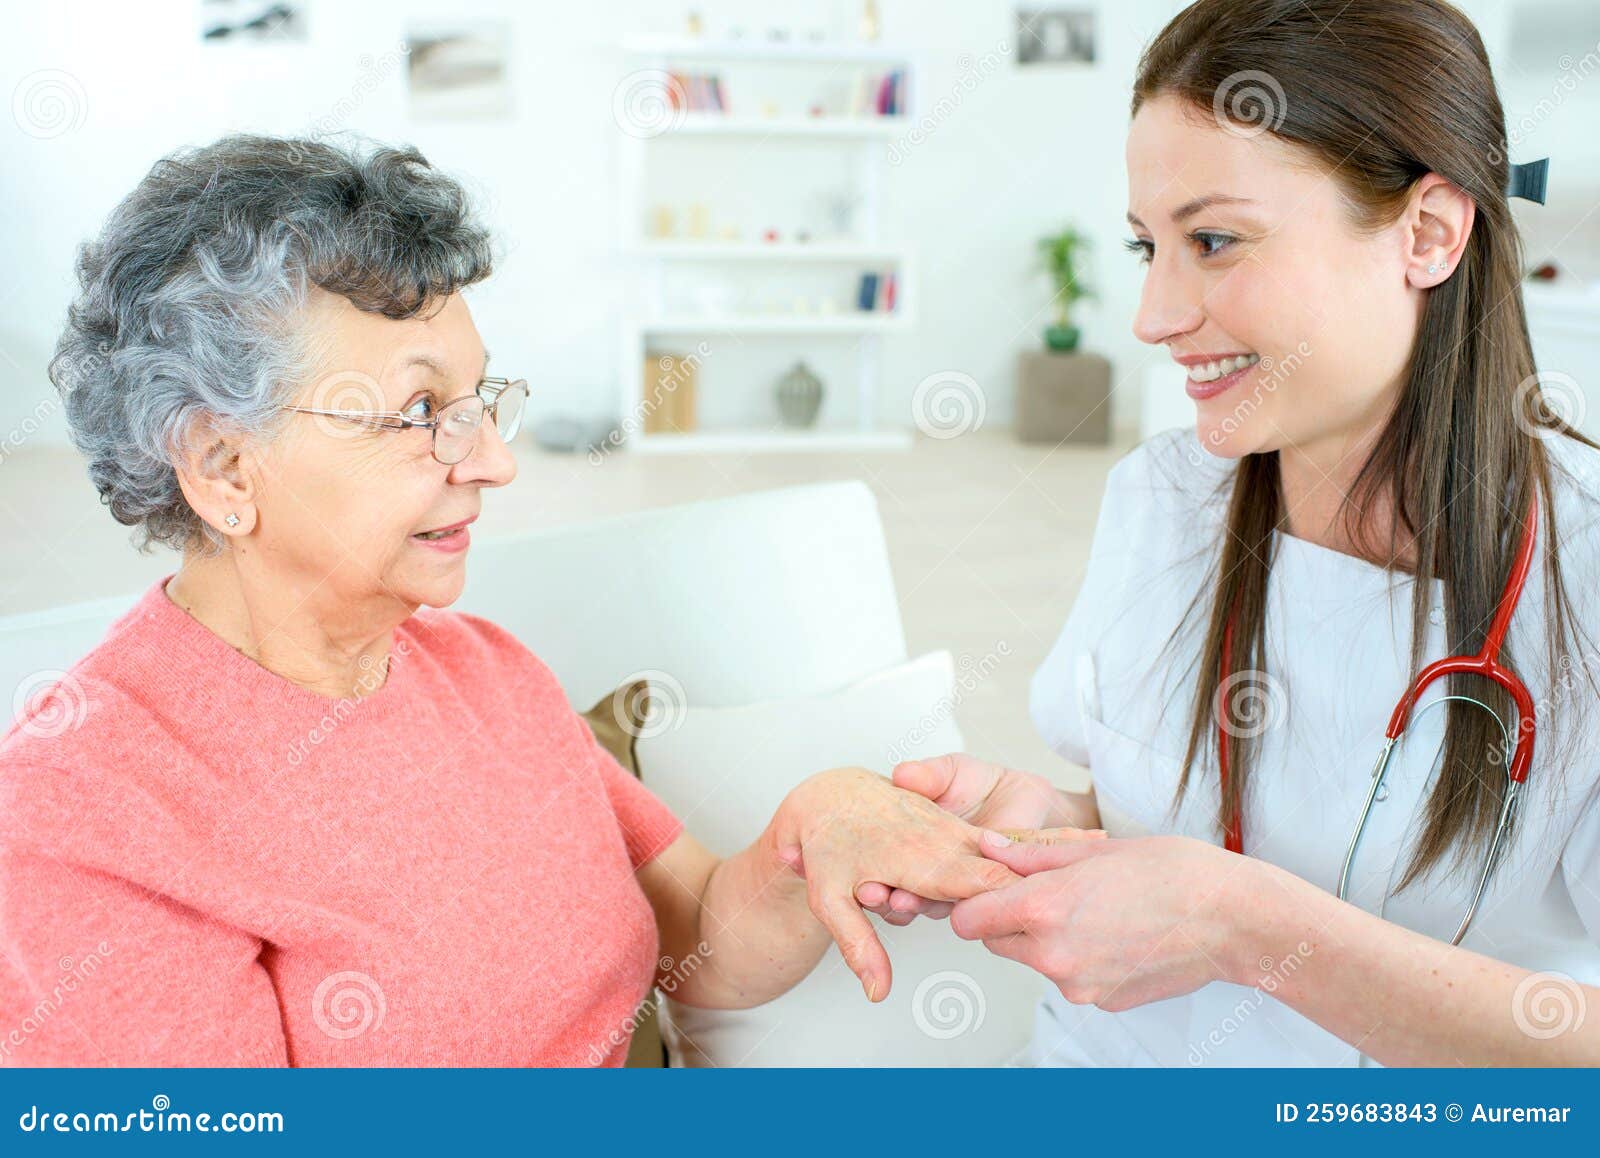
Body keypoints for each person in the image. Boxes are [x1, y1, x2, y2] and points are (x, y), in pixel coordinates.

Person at [0, 135, 1020, 1066]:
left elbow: (697, 937)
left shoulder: (486, 670)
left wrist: (812, 831)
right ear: (222, 466)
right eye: (418, 412)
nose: (493, 460)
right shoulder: (84, 806)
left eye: (482, 402)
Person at [872, 0, 1600, 1066]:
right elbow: (1153, 826)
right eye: (1147, 247)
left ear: (1429, 234)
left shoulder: (1580, 571)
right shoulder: (1165, 501)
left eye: (1214, 241)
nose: (1155, 314)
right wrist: (1035, 820)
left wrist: (1248, 930)